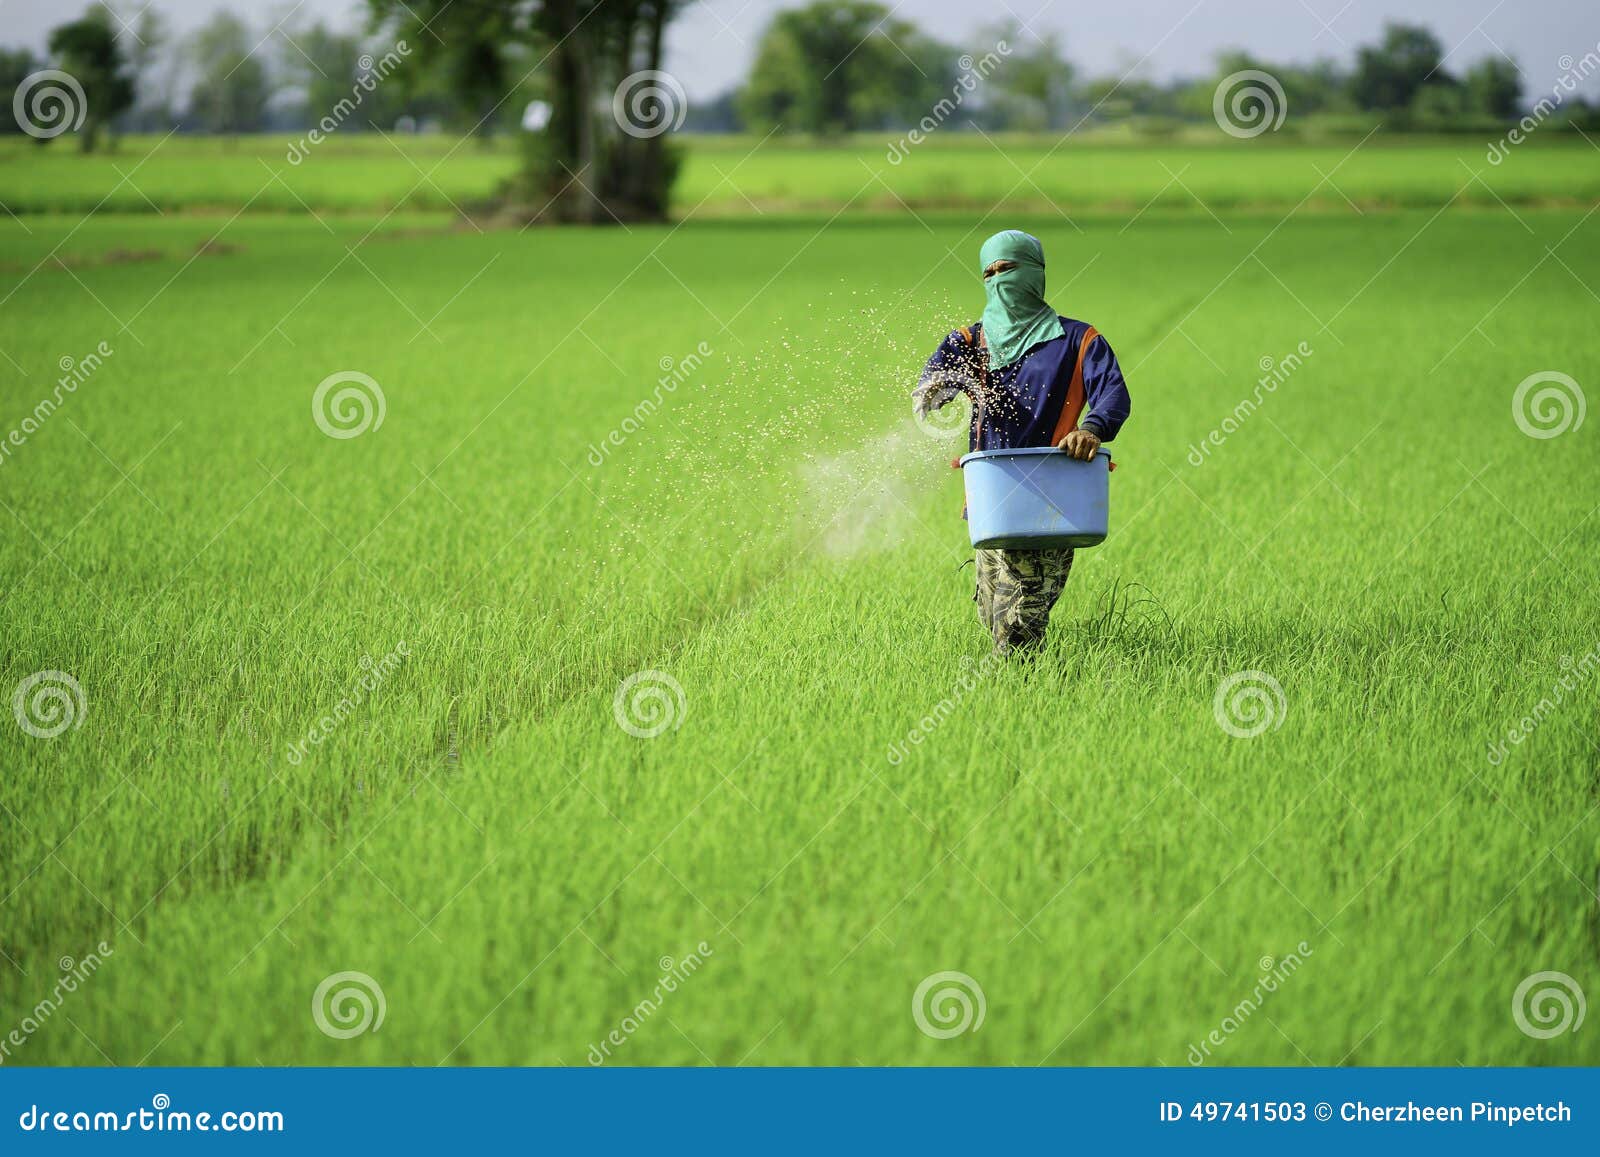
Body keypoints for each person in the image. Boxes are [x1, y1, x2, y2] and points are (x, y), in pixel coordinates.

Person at [913, 229, 1132, 654]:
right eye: (989, 272)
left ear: (1034, 272)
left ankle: (1018, 697)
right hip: (991, 498)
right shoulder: (970, 341)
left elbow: (1112, 393)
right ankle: (1016, 695)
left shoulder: (1077, 340)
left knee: (1019, 624)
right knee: (992, 612)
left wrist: (1092, 429)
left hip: (1050, 496)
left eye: (1008, 268)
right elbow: (933, 386)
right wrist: (934, 394)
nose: (998, 279)